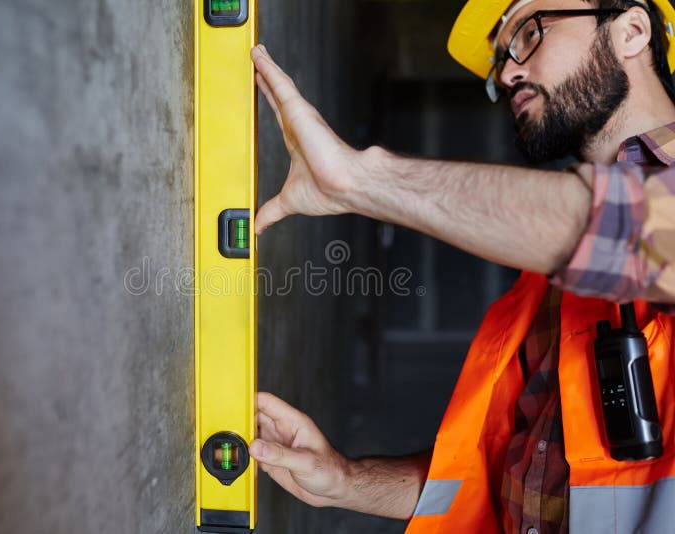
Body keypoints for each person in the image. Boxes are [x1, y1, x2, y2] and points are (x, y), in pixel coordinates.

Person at [248, 0, 675, 532]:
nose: (508, 72)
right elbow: (512, 475)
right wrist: (346, 479)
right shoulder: (548, 276)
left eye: (526, 34)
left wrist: (361, 180)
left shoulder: (606, 233)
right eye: (501, 62)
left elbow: (642, 230)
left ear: (631, 30)